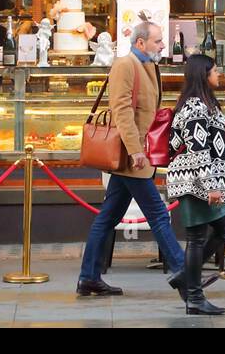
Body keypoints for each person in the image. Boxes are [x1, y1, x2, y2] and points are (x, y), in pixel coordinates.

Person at [77, 20, 192, 297]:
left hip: (141, 156)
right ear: (140, 43)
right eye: (157, 41)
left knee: (107, 218)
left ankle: (88, 277)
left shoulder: (150, 66)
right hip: (133, 158)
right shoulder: (125, 66)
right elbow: (122, 111)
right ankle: (185, 276)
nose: (163, 45)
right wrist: (136, 150)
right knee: (158, 214)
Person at [167, 53, 225, 315]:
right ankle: (194, 297)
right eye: (215, 71)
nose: (218, 74)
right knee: (198, 238)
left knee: (223, 229)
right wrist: (211, 186)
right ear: (203, 75)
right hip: (194, 182)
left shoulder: (205, 103)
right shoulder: (195, 108)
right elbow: (197, 151)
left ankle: (185, 279)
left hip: (201, 182)